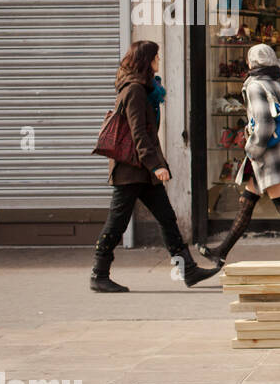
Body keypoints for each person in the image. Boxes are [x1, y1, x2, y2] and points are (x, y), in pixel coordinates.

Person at [90, 41, 220, 292]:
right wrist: (155, 165)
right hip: (130, 170)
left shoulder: (144, 89)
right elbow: (139, 134)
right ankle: (99, 274)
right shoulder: (134, 91)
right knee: (117, 223)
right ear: (146, 60)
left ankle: (188, 270)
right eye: (156, 57)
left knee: (167, 219)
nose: (159, 60)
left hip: (141, 171)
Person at [200, 44, 280, 267]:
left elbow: (264, 124)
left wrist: (251, 149)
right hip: (276, 150)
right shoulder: (276, 82)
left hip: (265, 154)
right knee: (247, 203)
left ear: (253, 63)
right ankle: (221, 252)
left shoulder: (255, 86)